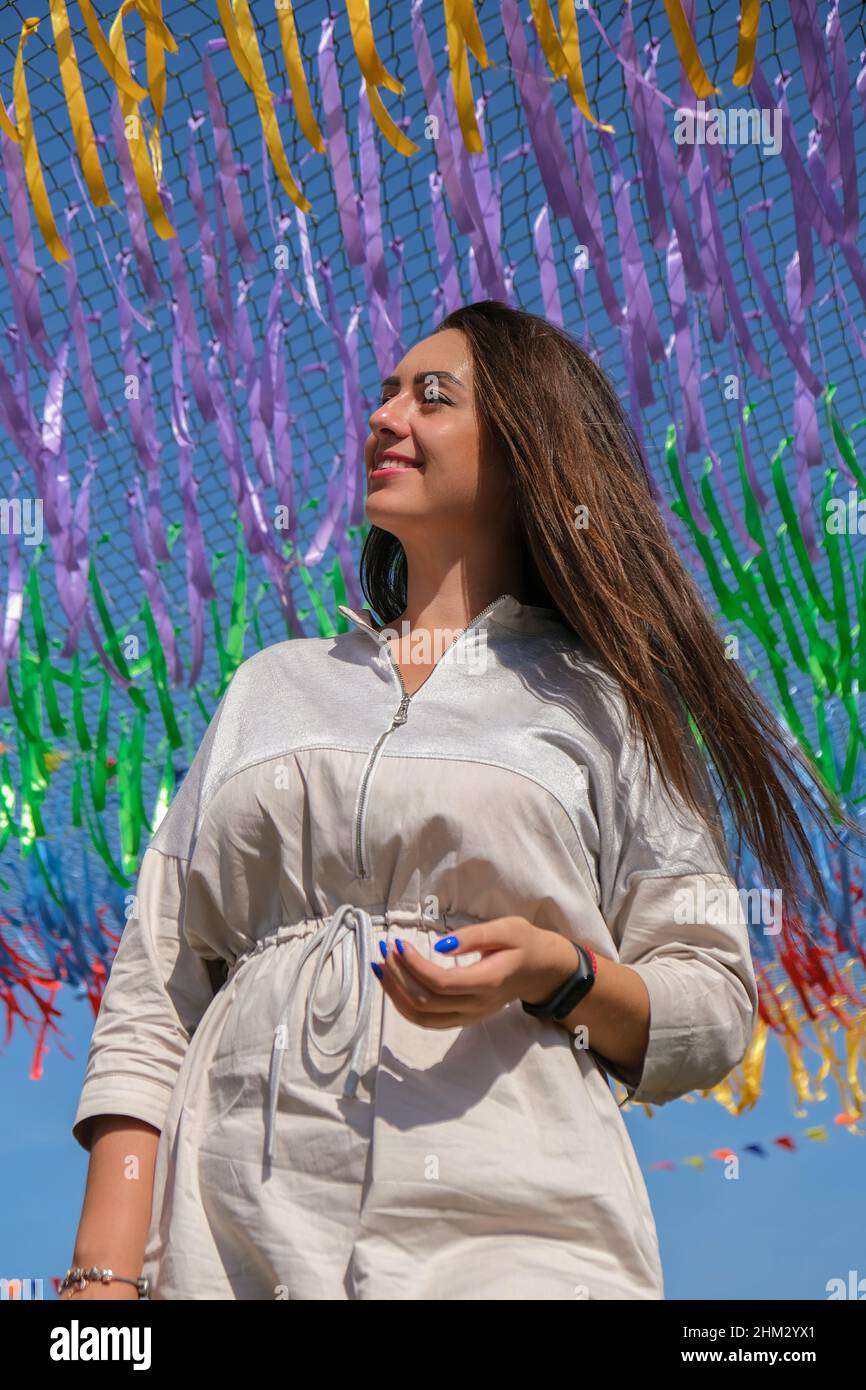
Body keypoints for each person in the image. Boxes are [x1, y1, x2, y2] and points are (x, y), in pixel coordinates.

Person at [64, 301, 854, 1301]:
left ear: (528, 450)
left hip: (519, 1238)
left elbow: (710, 1003)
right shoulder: (271, 686)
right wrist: (100, 1280)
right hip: (232, 1248)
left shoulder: (607, 706)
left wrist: (558, 972)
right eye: (385, 393)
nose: (383, 417)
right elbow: (155, 991)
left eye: (431, 397)